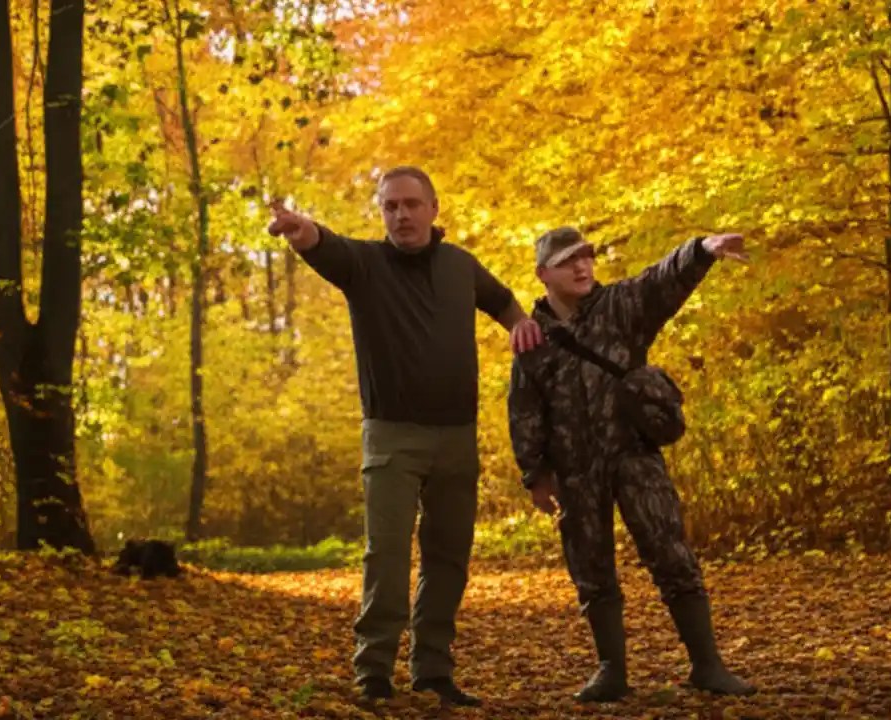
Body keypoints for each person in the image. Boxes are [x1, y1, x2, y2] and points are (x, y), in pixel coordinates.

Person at [267, 166, 543, 706]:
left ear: (434, 209)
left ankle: (433, 670)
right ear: (382, 212)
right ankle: (374, 670)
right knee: (387, 556)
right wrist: (304, 232)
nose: (402, 214)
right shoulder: (365, 265)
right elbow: (325, 245)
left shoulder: (460, 266)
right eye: (391, 206)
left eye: (412, 204)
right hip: (391, 437)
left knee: (448, 557)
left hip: (457, 437)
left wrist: (520, 326)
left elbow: (503, 300)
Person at [507, 226, 756, 702]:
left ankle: (707, 664)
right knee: (590, 568)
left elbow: (663, 280)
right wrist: (535, 474)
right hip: (574, 469)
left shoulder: (622, 306)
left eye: (586, 256)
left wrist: (701, 250)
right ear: (543, 274)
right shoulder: (533, 338)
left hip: (634, 454)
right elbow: (524, 408)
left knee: (670, 554)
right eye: (567, 261)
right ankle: (611, 670)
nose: (582, 266)